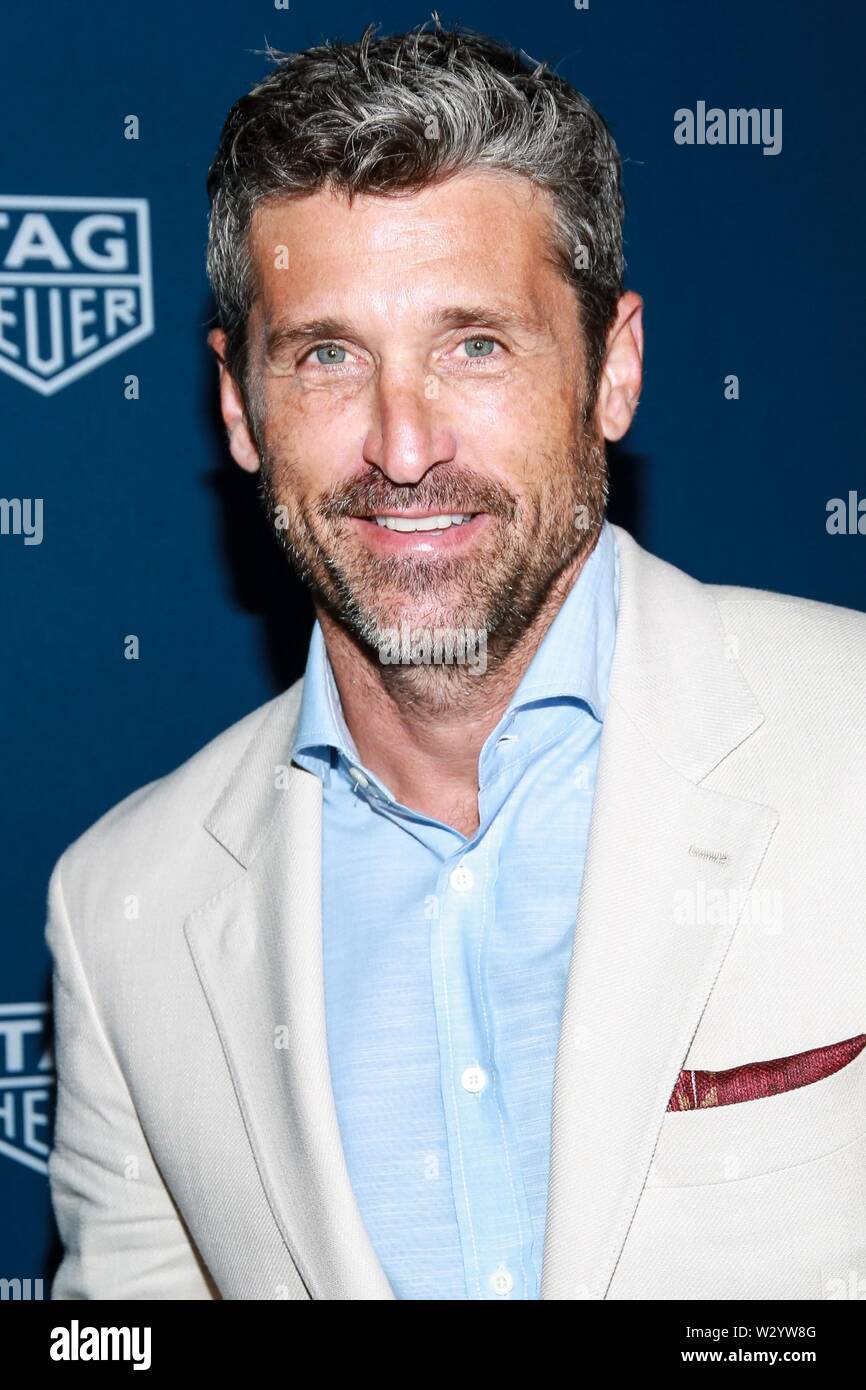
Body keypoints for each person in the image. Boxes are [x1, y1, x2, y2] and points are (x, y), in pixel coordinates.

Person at [46, 22, 866, 1301]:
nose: (405, 442)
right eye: (326, 356)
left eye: (474, 344)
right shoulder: (121, 914)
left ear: (613, 370)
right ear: (236, 408)